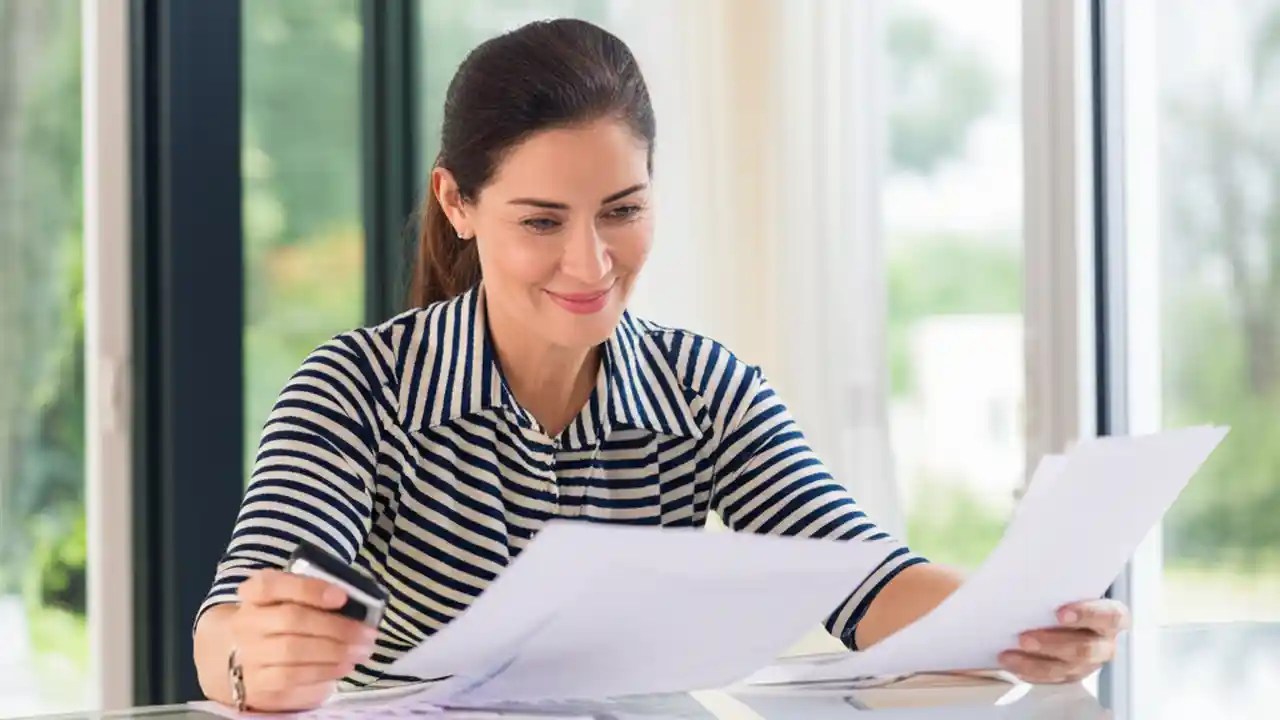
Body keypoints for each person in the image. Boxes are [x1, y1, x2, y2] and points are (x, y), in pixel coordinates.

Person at [193, 18, 1129, 712]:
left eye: (623, 210)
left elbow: (863, 578)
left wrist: (1026, 622)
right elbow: (231, 622)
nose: (591, 264)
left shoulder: (707, 390)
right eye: (541, 222)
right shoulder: (355, 393)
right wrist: (255, 659)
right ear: (458, 203)